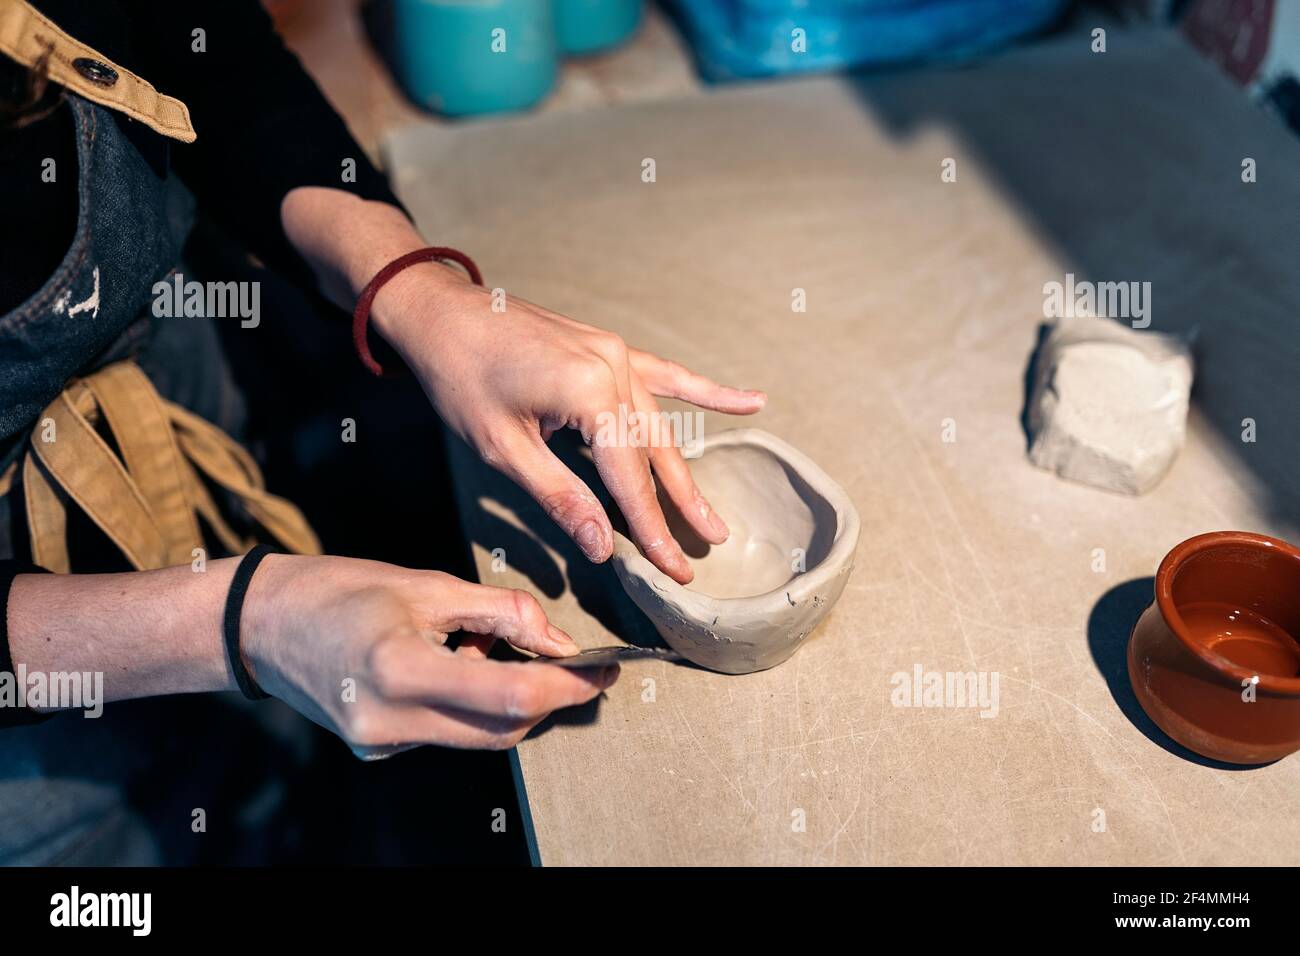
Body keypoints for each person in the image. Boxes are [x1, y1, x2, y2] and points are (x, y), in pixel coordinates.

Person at [0, 0, 763, 862]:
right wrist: (248, 623)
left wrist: (414, 290)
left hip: (158, 364)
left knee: (307, 782)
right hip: (30, 704)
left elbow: (207, 49)